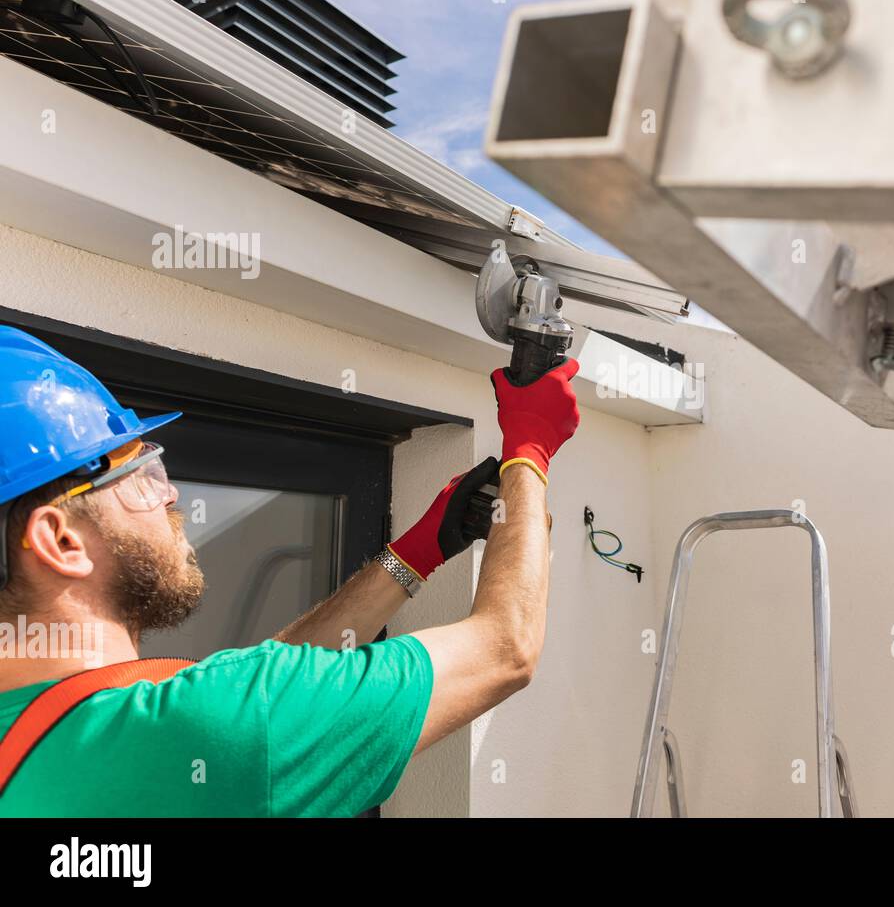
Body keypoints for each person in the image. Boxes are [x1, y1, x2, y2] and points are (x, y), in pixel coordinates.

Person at [0, 324, 580, 816]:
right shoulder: (187, 731)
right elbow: (504, 648)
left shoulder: (78, 733)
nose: (172, 494)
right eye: (143, 477)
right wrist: (530, 450)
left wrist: (418, 552)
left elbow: (267, 695)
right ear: (60, 539)